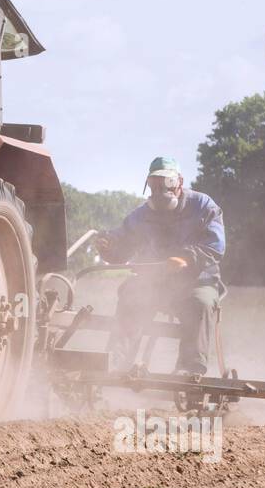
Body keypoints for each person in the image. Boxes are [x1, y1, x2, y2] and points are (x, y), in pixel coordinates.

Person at [92, 157, 226, 377]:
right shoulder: (140, 215)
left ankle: (189, 370)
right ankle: (116, 363)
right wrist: (108, 245)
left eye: (166, 182)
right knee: (131, 294)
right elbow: (122, 248)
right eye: (154, 183)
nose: (159, 189)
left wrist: (187, 258)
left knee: (200, 303)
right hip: (153, 283)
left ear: (179, 182)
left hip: (196, 281)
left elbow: (215, 246)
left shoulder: (203, 206)